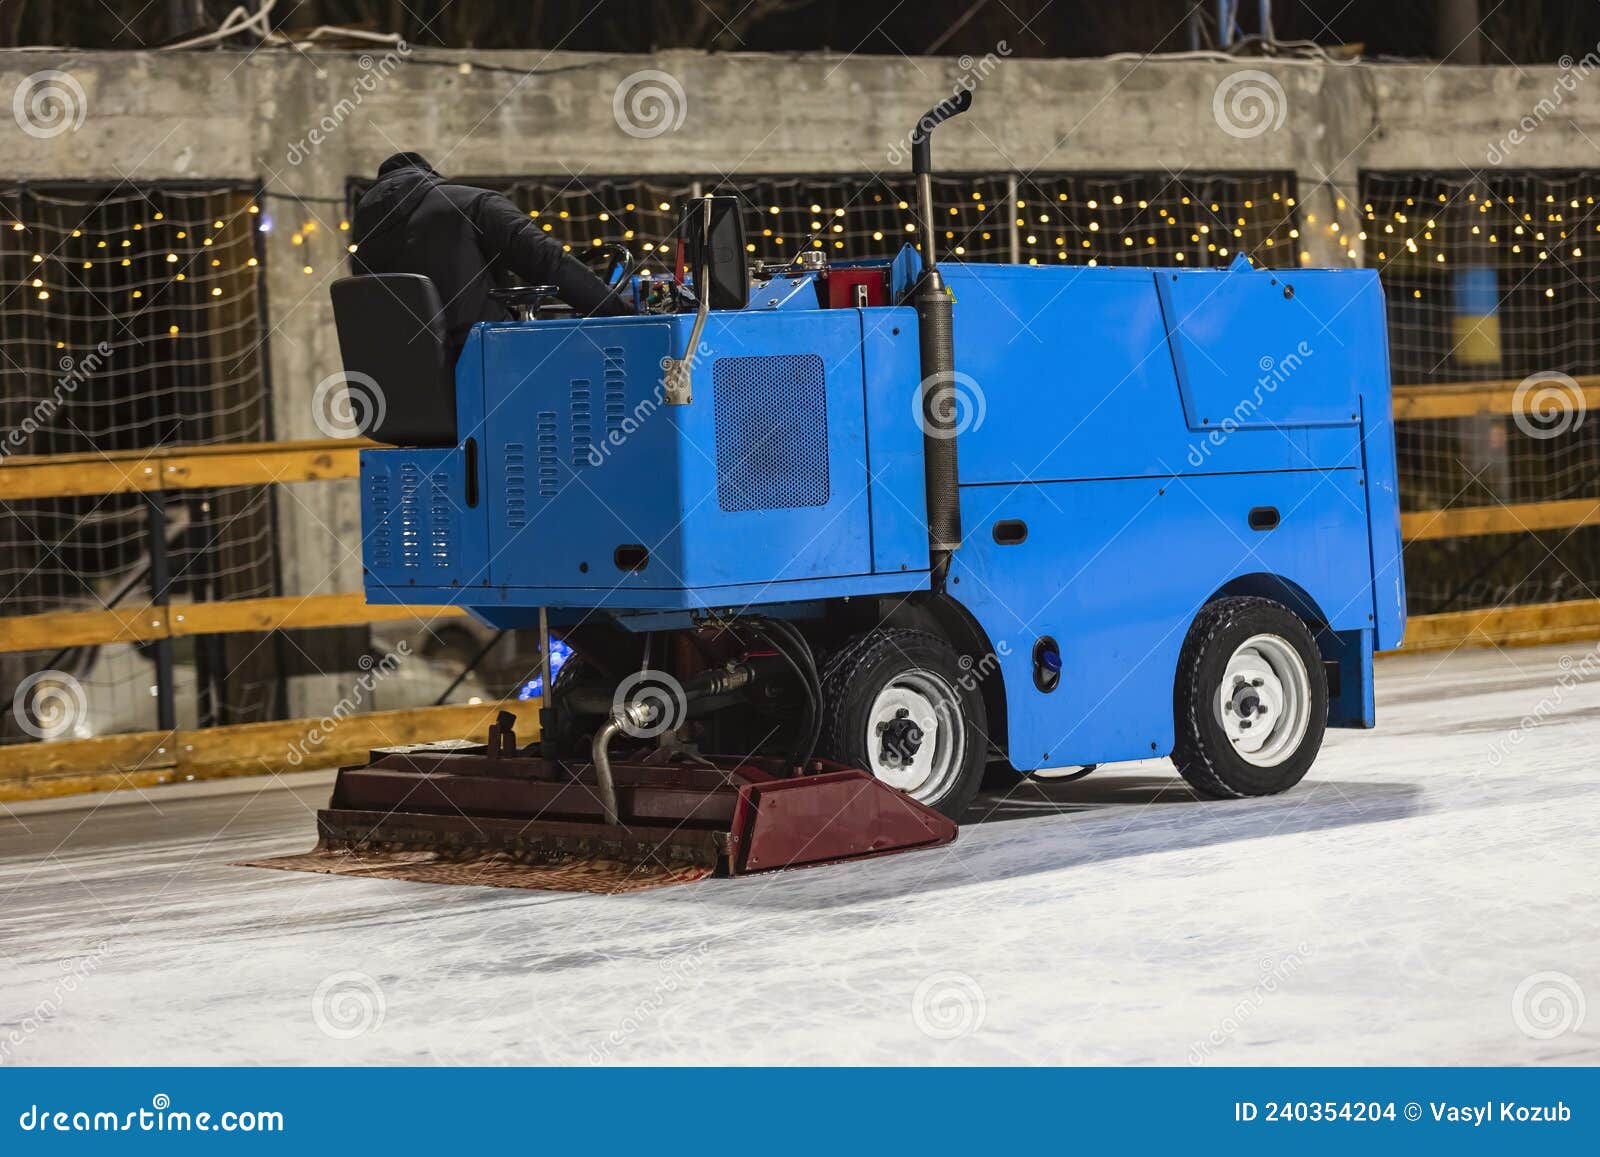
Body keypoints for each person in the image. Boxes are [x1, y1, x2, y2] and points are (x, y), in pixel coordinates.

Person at [351, 152, 632, 358]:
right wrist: (626, 315)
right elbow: (549, 262)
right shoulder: (470, 203)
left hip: (399, 394)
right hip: (488, 370)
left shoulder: (365, 240)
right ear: (428, 176)